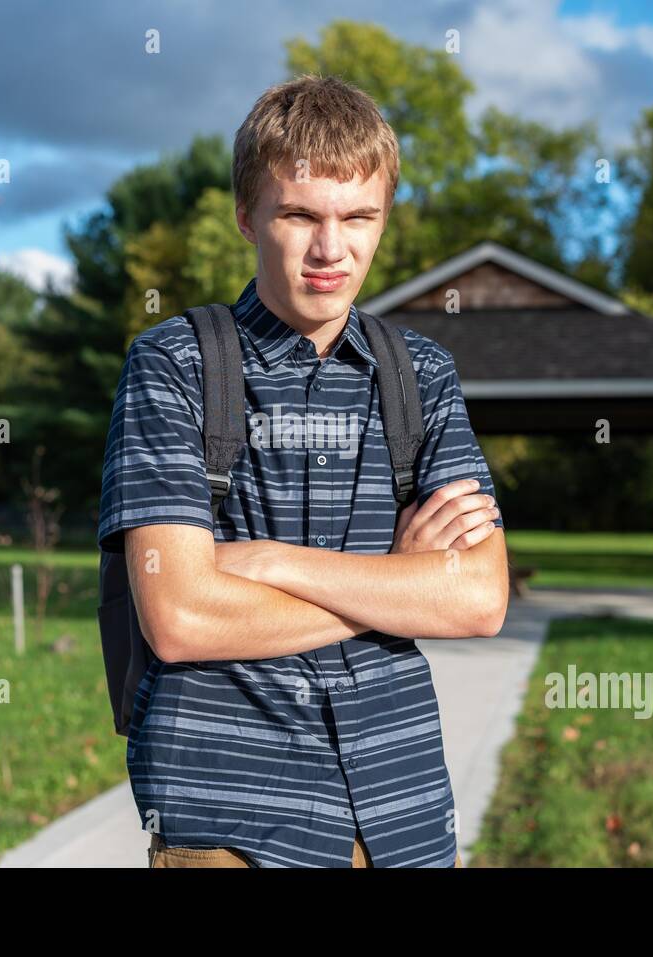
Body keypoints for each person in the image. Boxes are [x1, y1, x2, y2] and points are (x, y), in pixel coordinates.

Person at [97, 73, 510, 868]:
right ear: (247, 215)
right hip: (234, 831)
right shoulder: (175, 365)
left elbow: (480, 597)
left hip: (407, 819)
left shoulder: (420, 373)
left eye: (360, 216)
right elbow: (182, 619)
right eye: (300, 215)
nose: (333, 249)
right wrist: (399, 582)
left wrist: (272, 565)